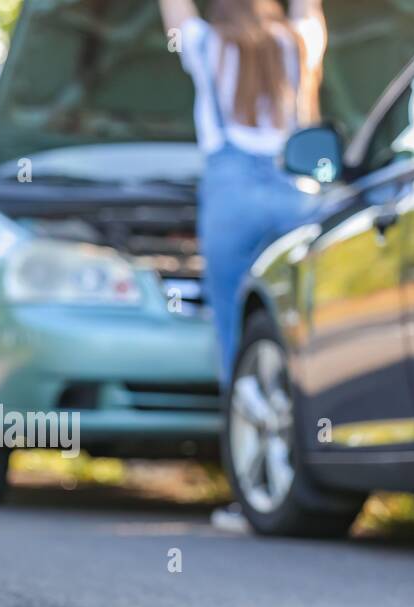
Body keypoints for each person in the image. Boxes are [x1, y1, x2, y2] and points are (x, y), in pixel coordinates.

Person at [159, 0, 324, 386]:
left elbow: (176, 13)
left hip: (230, 203)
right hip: (294, 195)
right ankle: (302, 409)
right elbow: (309, 13)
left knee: (233, 321)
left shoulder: (205, 43)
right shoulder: (295, 42)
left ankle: (246, 410)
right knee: (298, 318)